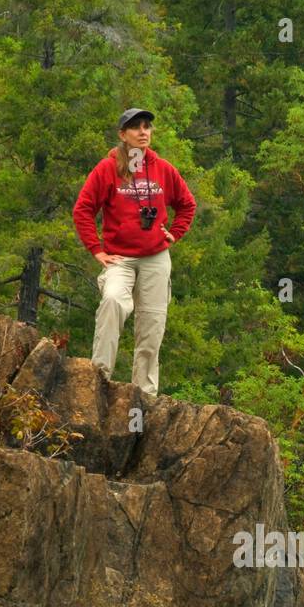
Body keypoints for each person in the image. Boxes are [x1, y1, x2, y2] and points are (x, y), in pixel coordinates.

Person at [72, 107, 196, 398]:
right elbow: (83, 210)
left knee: (151, 327)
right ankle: (98, 380)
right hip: (120, 259)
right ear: (122, 134)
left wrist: (174, 233)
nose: (143, 132)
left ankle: (144, 397)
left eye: (147, 127)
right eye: (136, 127)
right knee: (113, 301)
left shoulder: (163, 169)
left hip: (155, 258)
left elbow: (187, 204)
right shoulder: (107, 169)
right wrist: (96, 250)